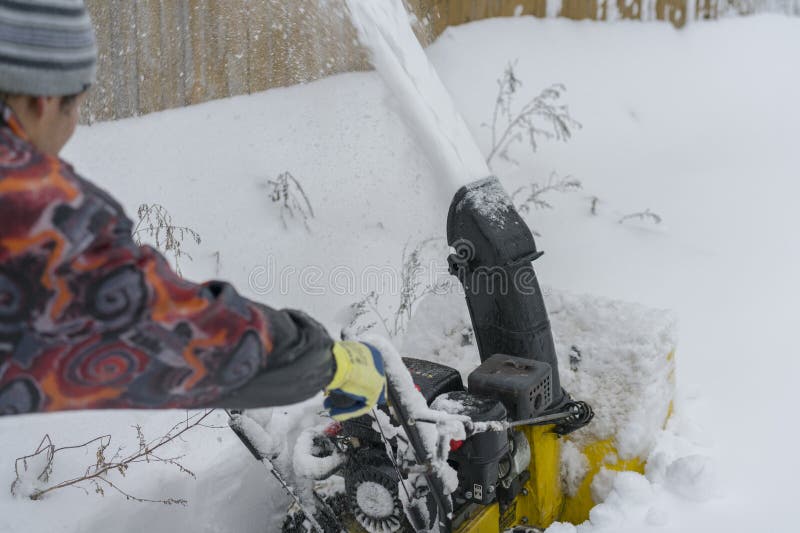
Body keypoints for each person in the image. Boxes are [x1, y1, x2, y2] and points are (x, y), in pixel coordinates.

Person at [0, 0, 386, 420]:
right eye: (74, 105)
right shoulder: (31, 210)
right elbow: (180, 337)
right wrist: (332, 362)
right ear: (44, 100)